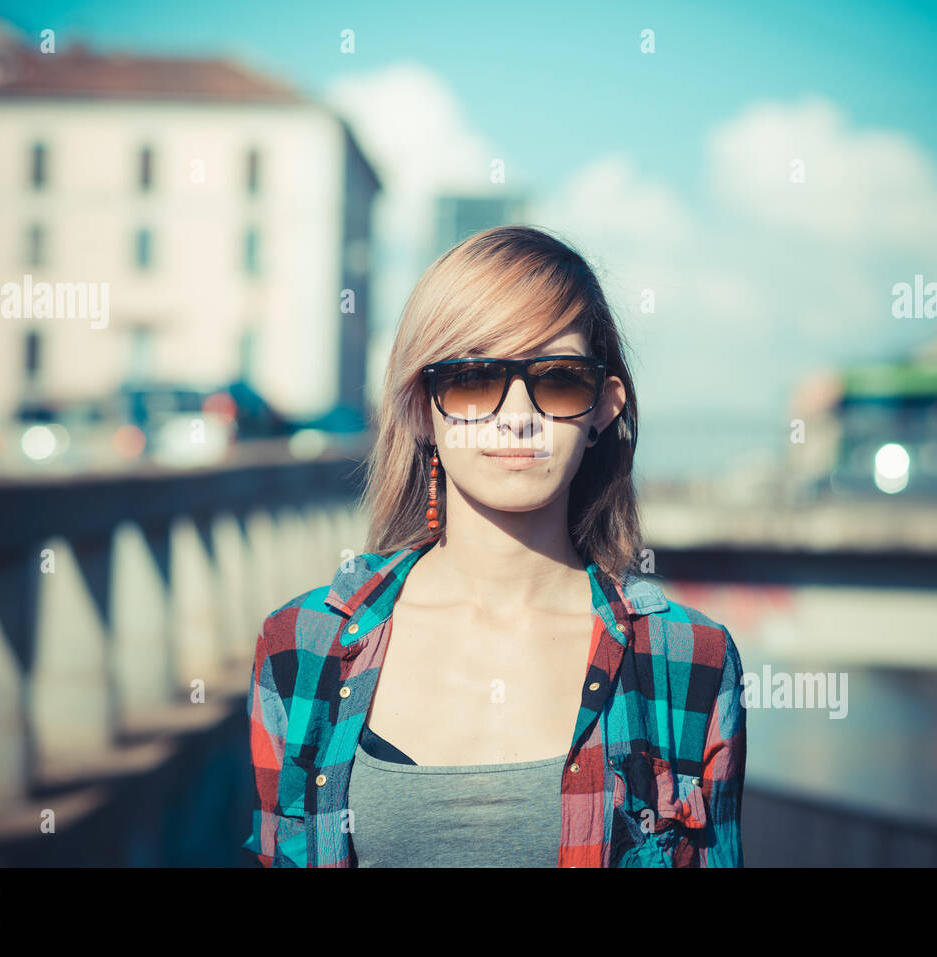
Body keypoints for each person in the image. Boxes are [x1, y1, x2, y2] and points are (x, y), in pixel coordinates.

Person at [244, 225, 745, 867]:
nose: (517, 415)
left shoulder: (689, 660)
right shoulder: (300, 645)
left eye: (559, 379)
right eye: (475, 378)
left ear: (603, 408)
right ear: (422, 407)